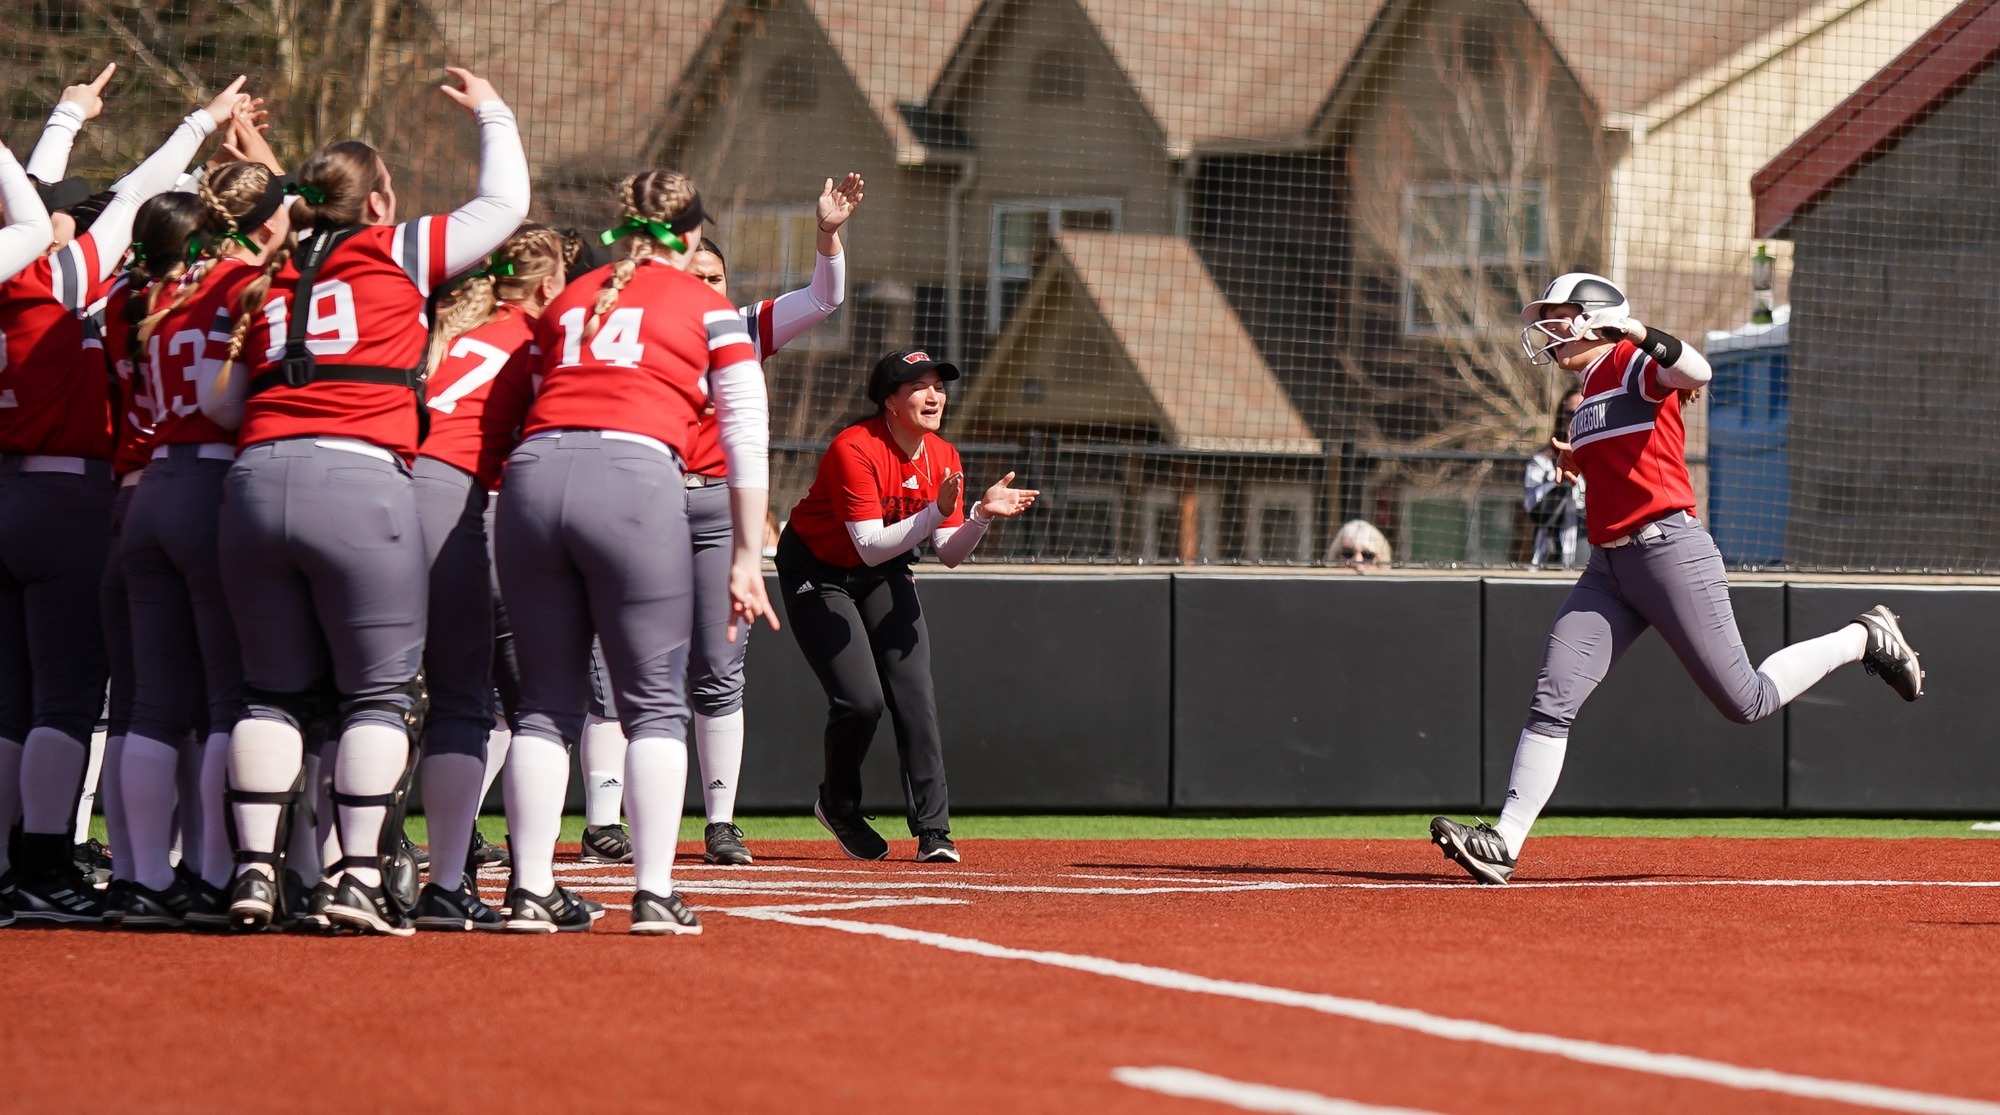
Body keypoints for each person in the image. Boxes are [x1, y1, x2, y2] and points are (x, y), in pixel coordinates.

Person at [1429, 273, 1924, 885]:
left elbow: (1697, 371)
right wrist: (1573, 456)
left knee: (1748, 701)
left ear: (1595, 318)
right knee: (1551, 700)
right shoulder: (1585, 398)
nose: (1550, 330)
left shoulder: (1632, 359)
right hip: (1609, 568)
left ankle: (1865, 637)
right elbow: (1613, 444)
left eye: (1561, 317)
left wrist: (1632, 330)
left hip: (1669, 553)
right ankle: (1504, 842)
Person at [195, 67, 527, 935]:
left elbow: (220, 403)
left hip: (256, 479)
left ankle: (259, 875)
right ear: (378, 201)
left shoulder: (261, 276)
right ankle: (352, 876)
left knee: (269, 691)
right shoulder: (396, 249)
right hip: (360, 478)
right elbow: (504, 204)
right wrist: (491, 110)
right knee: (381, 694)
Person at [495, 169, 774, 935]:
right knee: (653, 703)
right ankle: (653, 893)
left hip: (533, 477)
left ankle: (529, 890)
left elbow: (517, 400)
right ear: (687, 235)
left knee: (546, 709)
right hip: (632, 479)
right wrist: (747, 554)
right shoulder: (710, 307)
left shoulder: (572, 298)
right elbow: (745, 437)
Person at [0, 69, 249, 925]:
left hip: (7, 492)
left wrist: (66, 119)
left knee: (8, 704)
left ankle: (11, 866)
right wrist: (198, 126)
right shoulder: (59, 282)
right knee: (68, 701)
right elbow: (135, 200)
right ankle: (42, 864)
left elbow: (45, 201)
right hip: (69, 499)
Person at [577, 172, 865, 868]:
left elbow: (825, 295)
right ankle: (599, 822)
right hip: (643, 499)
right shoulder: (630, 318)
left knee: (718, 667)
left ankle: (721, 822)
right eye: (695, 270)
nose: (702, 283)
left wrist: (827, 232)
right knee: (609, 665)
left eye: (715, 275)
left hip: (711, 504)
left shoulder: (739, 325)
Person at [118, 144, 291, 928]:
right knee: (230, 698)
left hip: (152, 482)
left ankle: (143, 877)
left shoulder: (163, 284)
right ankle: (217, 871)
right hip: (214, 485)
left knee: (151, 704)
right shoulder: (240, 285)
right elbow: (229, 405)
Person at [777, 349, 1038, 864]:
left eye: (939, 385)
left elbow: (949, 553)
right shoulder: (854, 448)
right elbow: (869, 542)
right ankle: (838, 804)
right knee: (861, 701)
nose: (934, 394)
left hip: (883, 572)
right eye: (919, 385)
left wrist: (980, 515)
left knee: (914, 695)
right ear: (890, 401)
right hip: (818, 570)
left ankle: (934, 832)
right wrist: (935, 512)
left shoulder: (943, 455)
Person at [408, 224, 574, 930]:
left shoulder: (442, 333)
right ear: (543, 286)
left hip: (380, 496)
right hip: (462, 511)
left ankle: (337, 869)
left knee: (364, 701)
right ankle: (517, 884)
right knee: (516, 703)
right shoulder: (532, 342)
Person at [1524, 392, 1585, 568]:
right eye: (1570, 414)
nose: (1574, 421)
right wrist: (1566, 471)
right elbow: (1538, 514)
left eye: (1582, 413)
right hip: (1549, 564)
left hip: (1593, 565)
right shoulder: (1541, 462)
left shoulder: (1604, 463)